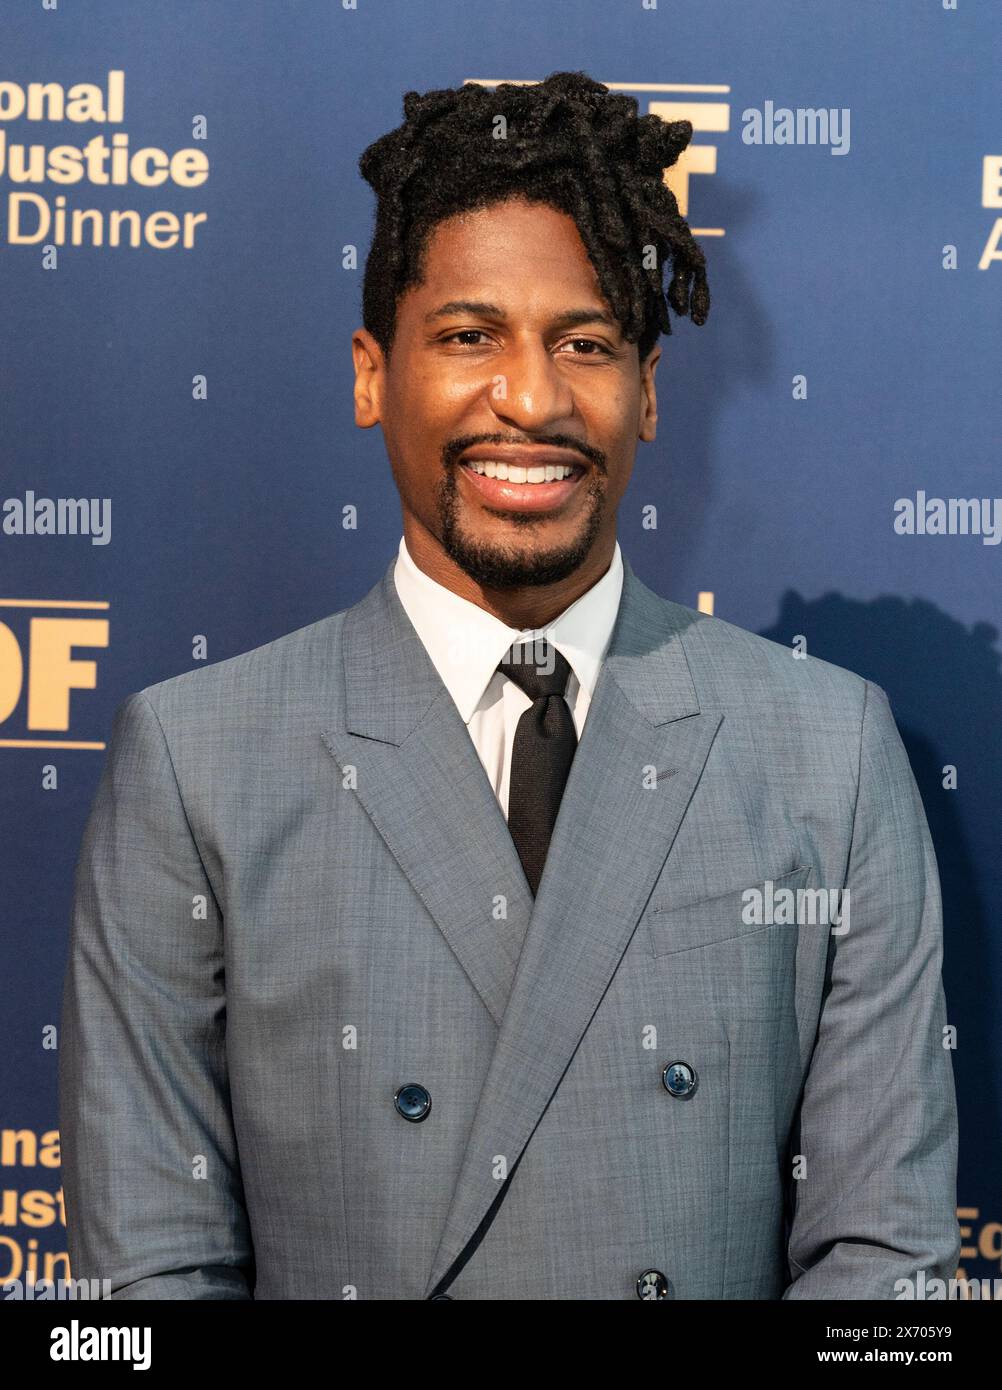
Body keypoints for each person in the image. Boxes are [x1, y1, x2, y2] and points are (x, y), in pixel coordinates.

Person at [59, 70, 960, 1300]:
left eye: (584, 343)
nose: (530, 401)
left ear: (647, 390)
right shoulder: (195, 759)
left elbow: (887, 1269)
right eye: (470, 336)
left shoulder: (829, 753)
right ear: (373, 374)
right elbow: (152, 1276)